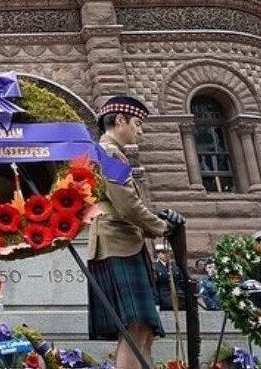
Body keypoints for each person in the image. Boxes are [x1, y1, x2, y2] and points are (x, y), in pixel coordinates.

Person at [87, 95, 181, 368]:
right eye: (137, 123)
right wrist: (160, 226)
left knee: (144, 331)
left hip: (125, 244)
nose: (140, 131)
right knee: (135, 328)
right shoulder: (108, 153)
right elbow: (126, 204)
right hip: (117, 245)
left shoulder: (111, 154)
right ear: (120, 121)